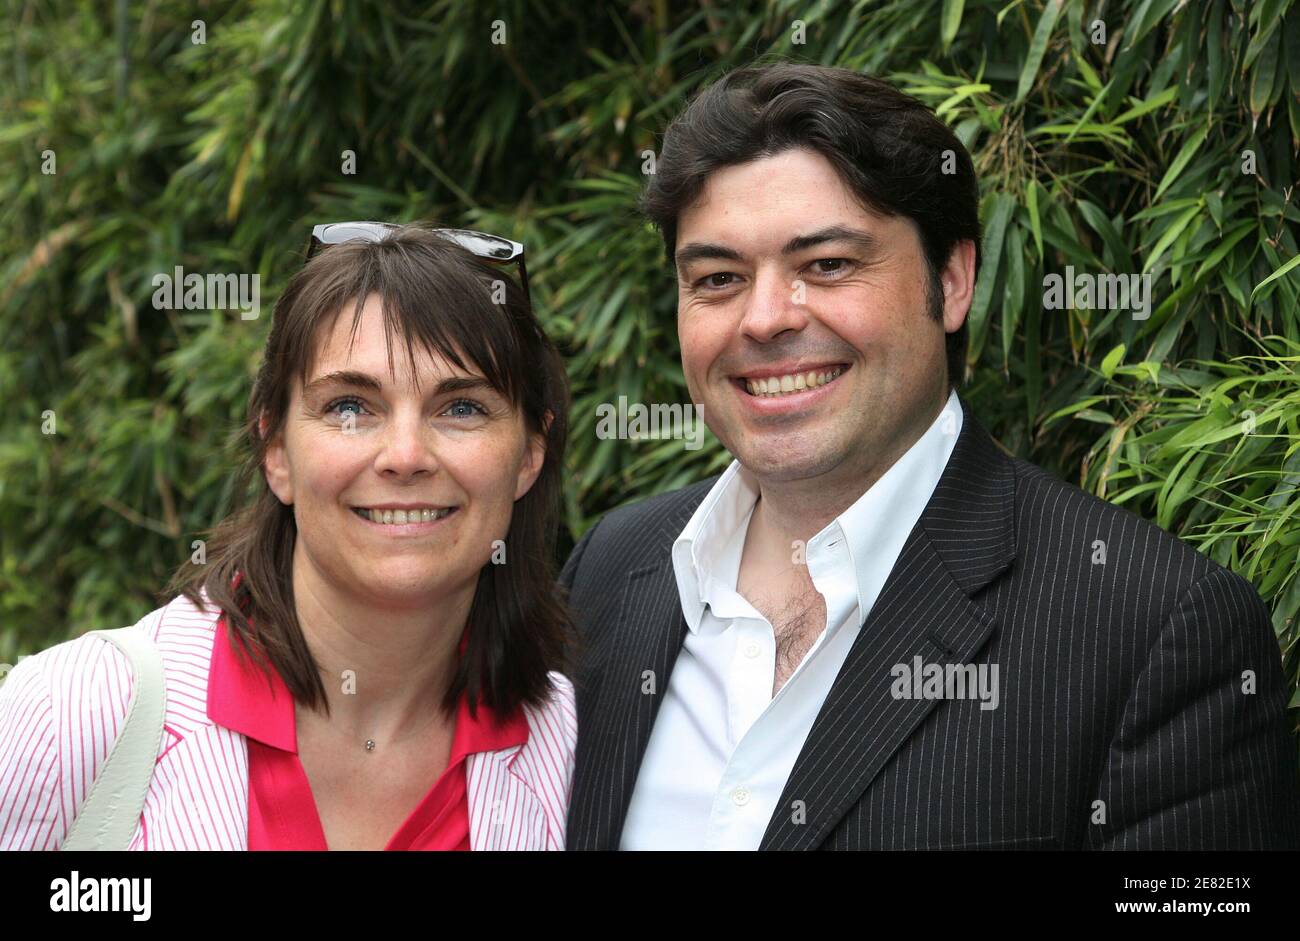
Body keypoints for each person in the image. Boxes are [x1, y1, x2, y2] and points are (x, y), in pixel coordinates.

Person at [559, 62, 1300, 850]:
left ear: (952, 280)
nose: (765, 317)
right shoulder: (610, 572)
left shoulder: (1152, 630)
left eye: (828, 265)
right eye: (718, 277)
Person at [0, 222, 576, 850]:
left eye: (461, 407)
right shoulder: (75, 716)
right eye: (350, 406)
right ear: (275, 449)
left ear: (529, 454)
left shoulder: (569, 754)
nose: (406, 455)